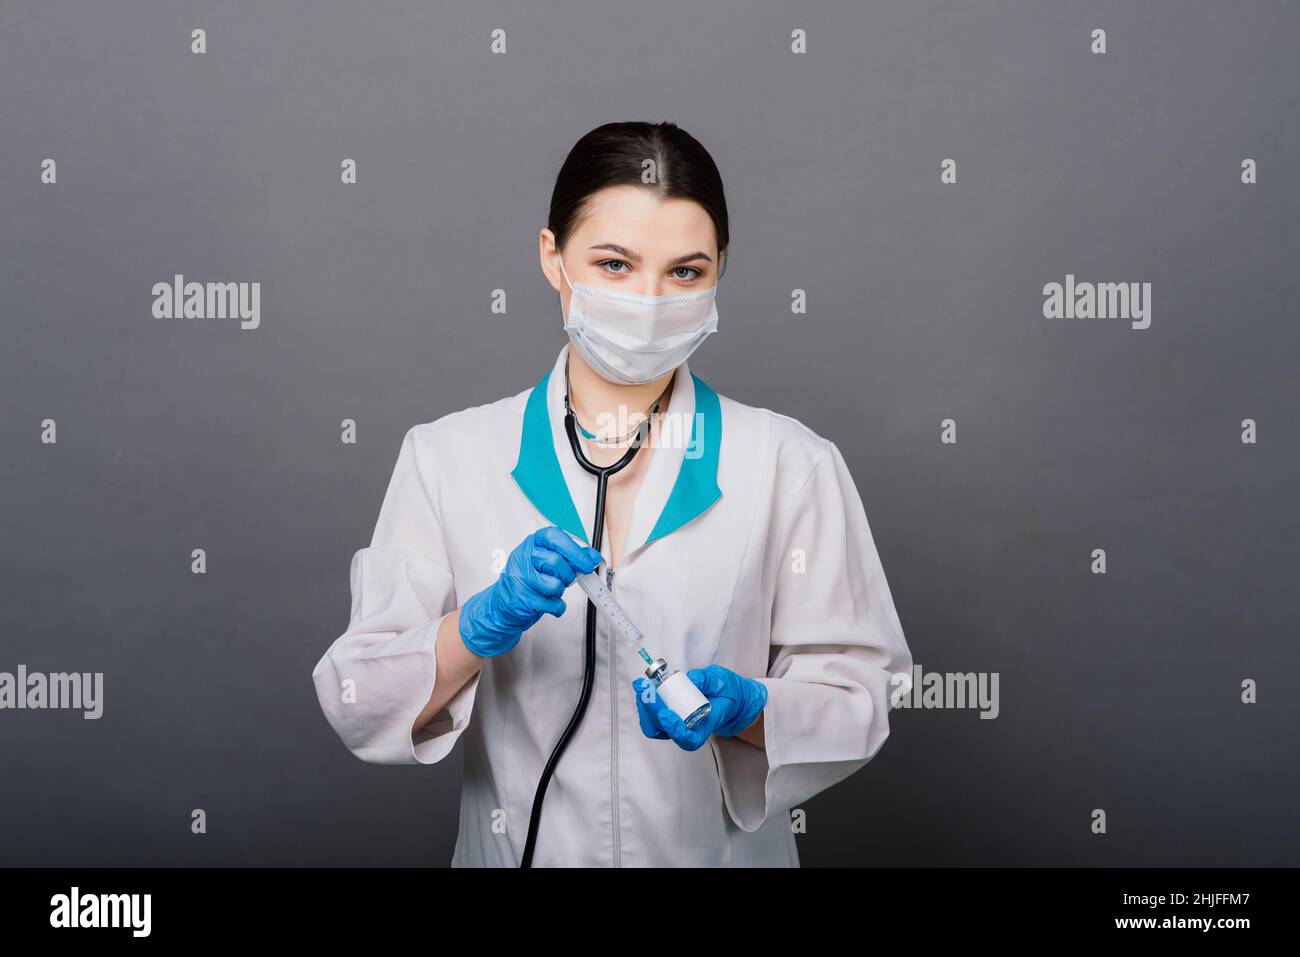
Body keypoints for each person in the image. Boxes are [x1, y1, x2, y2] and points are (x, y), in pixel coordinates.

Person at [311, 121, 913, 867]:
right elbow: (356, 698)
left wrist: (753, 708)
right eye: (615, 264)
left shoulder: (789, 463)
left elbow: (862, 700)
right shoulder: (447, 458)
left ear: (721, 269)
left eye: (686, 272)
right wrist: (475, 628)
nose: (650, 300)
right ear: (552, 258)